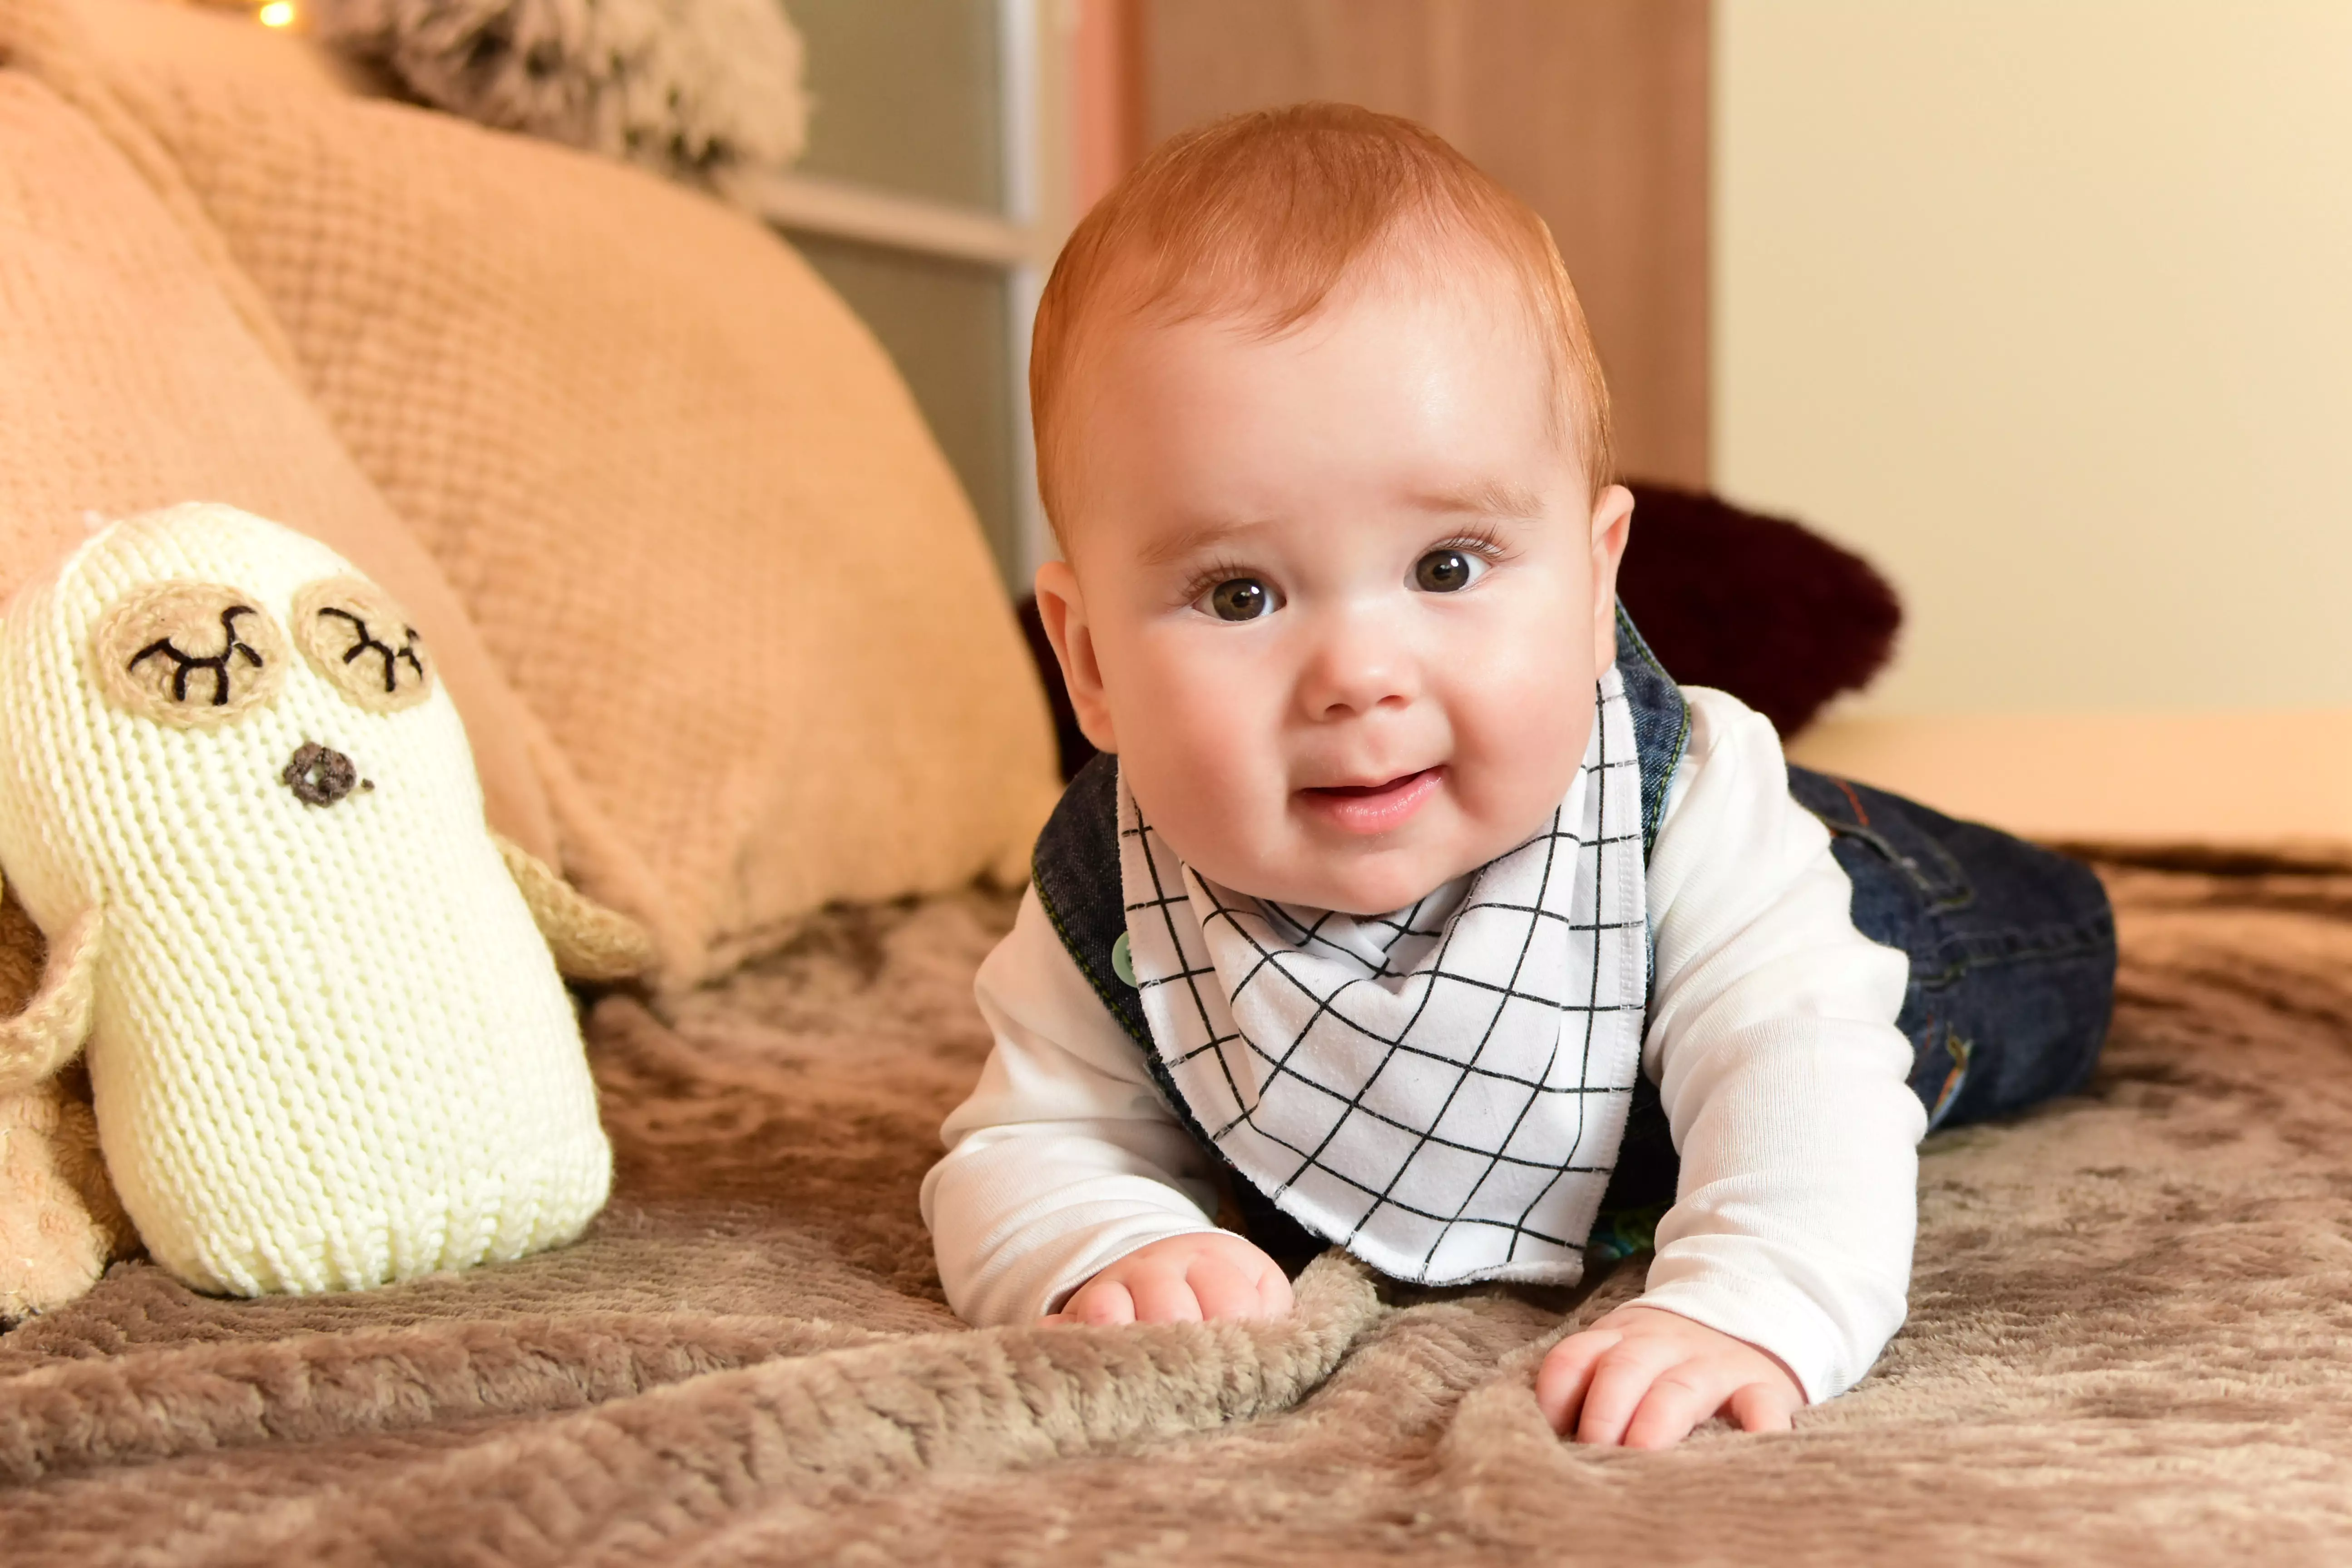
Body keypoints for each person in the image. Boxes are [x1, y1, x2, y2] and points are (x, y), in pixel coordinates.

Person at [920, 104, 2115, 1450]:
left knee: (2057, 941)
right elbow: (1021, 1141)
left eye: (1444, 566)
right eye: (1238, 591)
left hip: (1901, 922)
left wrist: (1750, 1296)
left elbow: (1798, 1068)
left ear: (1598, 584)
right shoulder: (1110, 888)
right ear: (1084, 661)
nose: (1356, 675)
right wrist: (1101, 1240)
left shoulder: (1690, 814)